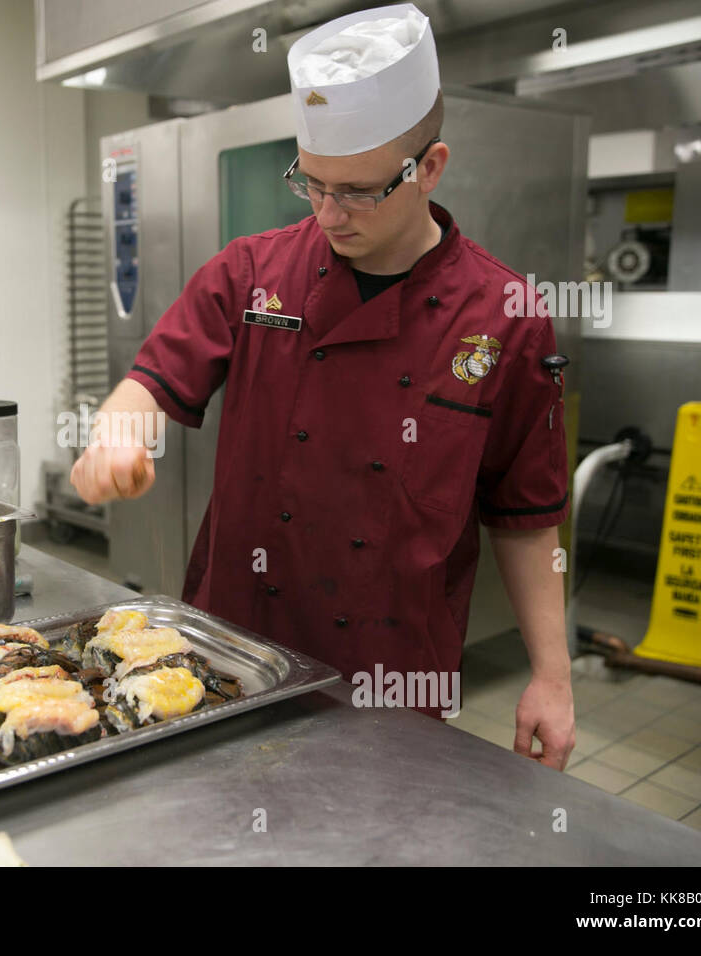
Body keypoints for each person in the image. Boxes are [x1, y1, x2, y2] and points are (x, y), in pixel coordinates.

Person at [70, 3, 576, 769]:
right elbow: (154, 380)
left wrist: (552, 674)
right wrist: (115, 434)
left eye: (357, 191)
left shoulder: (506, 318)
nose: (328, 213)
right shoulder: (253, 275)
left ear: (428, 168)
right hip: (230, 651)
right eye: (312, 183)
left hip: (393, 675)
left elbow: (526, 516)